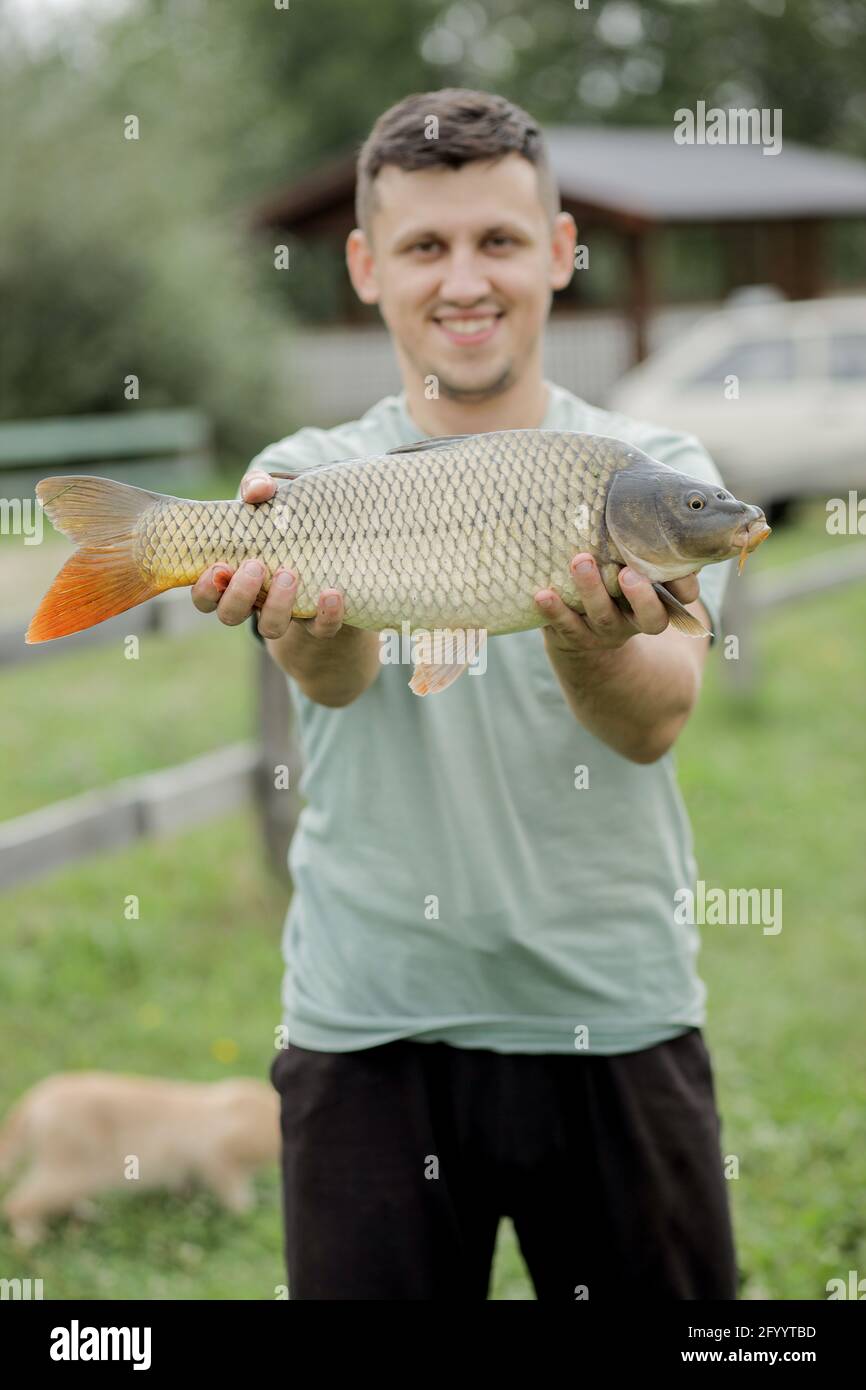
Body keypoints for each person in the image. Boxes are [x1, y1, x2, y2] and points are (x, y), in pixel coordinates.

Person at [192, 89, 738, 1301]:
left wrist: (589, 641)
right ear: (364, 265)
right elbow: (328, 680)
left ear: (556, 250)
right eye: (424, 246)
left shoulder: (656, 477)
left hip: (611, 1008)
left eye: (496, 240)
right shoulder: (307, 477)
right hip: (368, 1022)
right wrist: (300, 623)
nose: (462, 281)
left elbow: (648, 724)